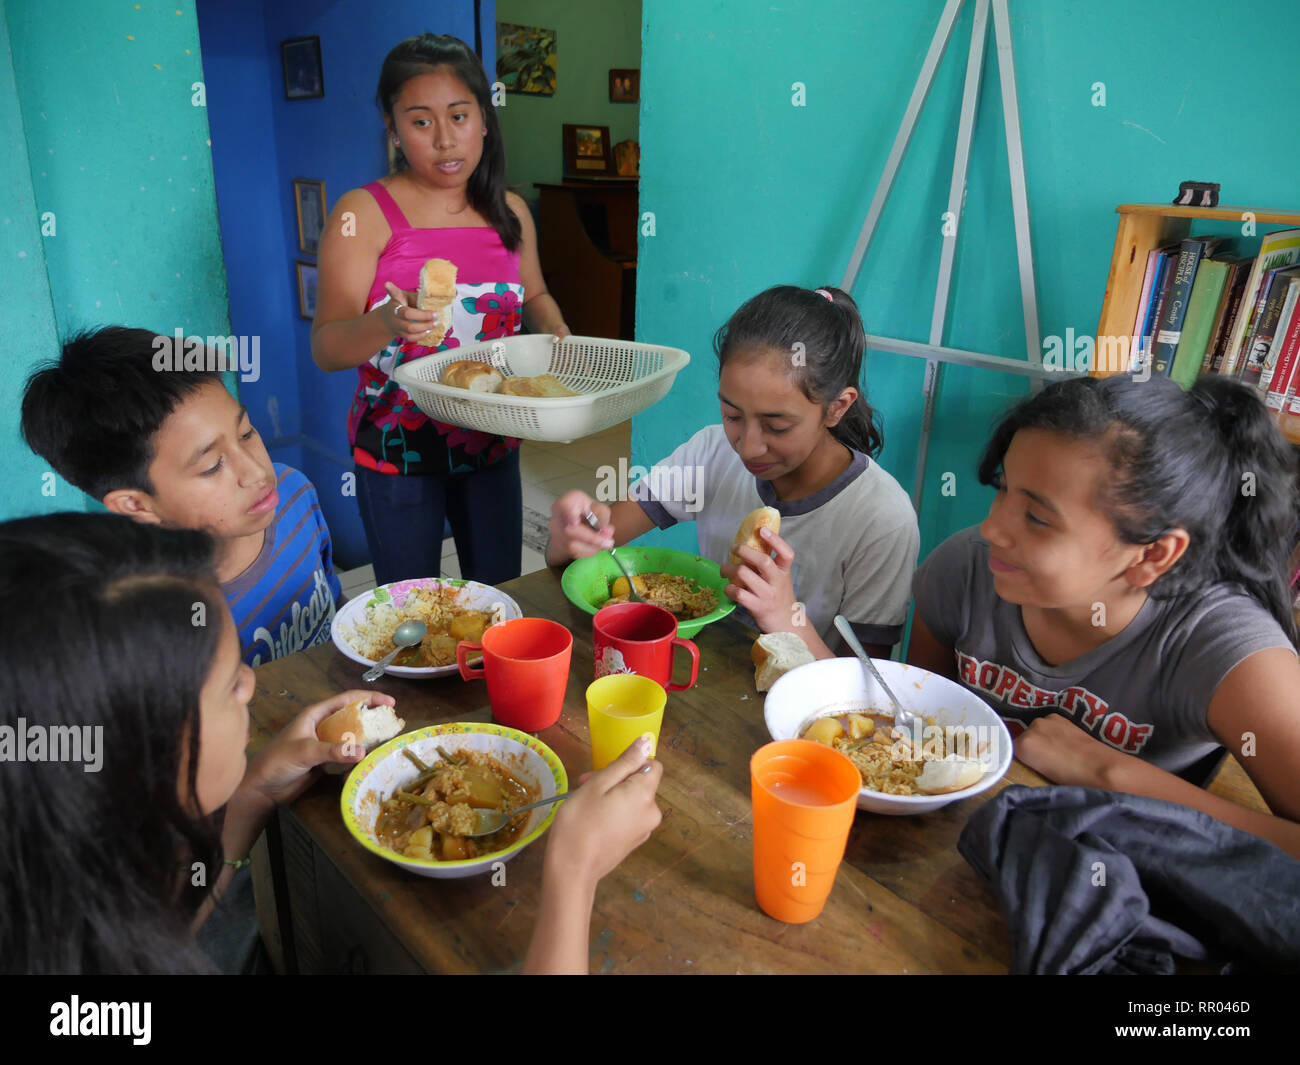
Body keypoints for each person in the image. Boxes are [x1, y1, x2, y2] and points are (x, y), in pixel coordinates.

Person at [0, 513, 663, 974]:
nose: (253, 683)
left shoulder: (62, 900)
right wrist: (573, 871)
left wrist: (256, 790)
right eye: (230, 682)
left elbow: (155, 924)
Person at [907, 373, 1300, 859]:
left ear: (1153, 555)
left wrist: (1112, 775)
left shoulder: (1227, 649)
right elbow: (914, 721)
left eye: (1036, 518)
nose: (991, 529)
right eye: (1003, 489)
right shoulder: (965, 568)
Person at [312, 33, 569, 588]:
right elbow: (327, 347)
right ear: (394, 127)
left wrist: (554, 328)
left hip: (492, 439)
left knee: (496, 599)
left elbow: (535, 296)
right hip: (397, 450)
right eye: (421, 121)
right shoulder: (363, 212)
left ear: (483, 118)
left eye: (459, 115)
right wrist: (385, 323)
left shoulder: (511, 212)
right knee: (413, 609)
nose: (446, 139)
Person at [548, 285, 919, 660]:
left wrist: (786, 618)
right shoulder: (712, 453)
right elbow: (603, 538)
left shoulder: (882, 520)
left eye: (777, 427)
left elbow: (870, 692)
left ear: (838, 407)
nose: (748, 446)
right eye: (733, 416)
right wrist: (575, 531)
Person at [20, 326, 340, 668]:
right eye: (212, 466)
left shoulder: (294, 495)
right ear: (137, 505)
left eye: (246, 432)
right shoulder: (148, 622)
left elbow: (339, 619)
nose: (257, 472)